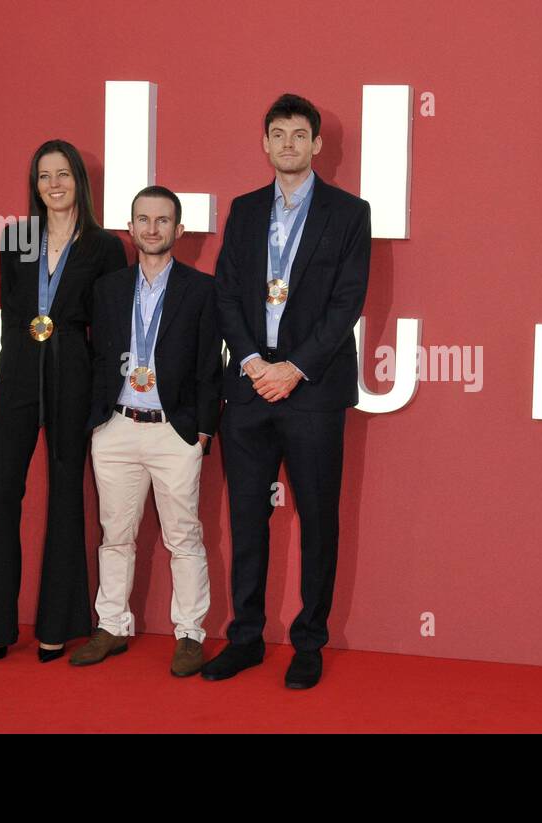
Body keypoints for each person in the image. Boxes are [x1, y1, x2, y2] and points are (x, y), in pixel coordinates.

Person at [203, 93, 371, 689]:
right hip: (248, 390)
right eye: (279, 134)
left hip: (313, 392)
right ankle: (245, 637)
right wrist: (252, 362)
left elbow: (347, 302)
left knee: (318, 518)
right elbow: (225, 292)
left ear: (318, 144)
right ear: (265, 143)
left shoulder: (349, 213)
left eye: (300, 134)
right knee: (246, 517)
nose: (289, 144)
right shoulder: (245, 210)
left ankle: (309, 642)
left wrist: (292, 368)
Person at [0, 140, 127, 663]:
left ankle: (55, 627)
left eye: (63, 174)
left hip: (73, 369)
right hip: (19, 369)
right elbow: (9, 310)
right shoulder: (18, 237)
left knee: (66, 496)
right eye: (44, 176)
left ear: (78, 182)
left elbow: (110, 326)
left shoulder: (104, 246)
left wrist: (102, 392)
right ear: (35, 184)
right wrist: (7, 378)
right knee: (1, 495)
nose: (54, 184)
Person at [70, 186, 221, 676]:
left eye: (162, 220)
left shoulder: (202, 290)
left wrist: (201, 431)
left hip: (173, 431)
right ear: (130, 228)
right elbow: (95, 359)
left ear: (179, 230)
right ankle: (112, 625)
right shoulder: (108, 289)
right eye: (143, 219)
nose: (152, 228)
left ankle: (190, 634)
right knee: (115, 535)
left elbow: (209, 365)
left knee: (184, 537)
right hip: (116, 428)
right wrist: (96, 422)